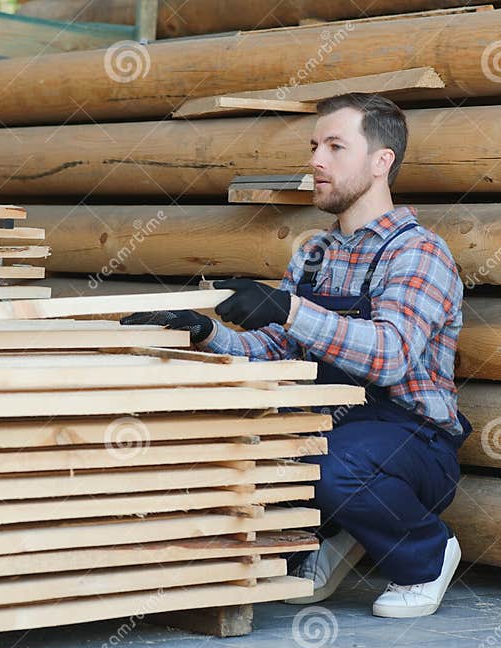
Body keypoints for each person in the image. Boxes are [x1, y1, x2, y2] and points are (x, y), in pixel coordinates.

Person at [121, 93, 472, 618]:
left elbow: (391, 355)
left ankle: (426, 555)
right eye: (314, 146)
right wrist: (204, 335)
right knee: (257, 443)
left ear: (382, 163)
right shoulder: (315, 254)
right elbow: (275, 351)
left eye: (335, 146)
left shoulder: (417, 252)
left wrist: (288, 309)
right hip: (331, 426)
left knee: (330, 461)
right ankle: (339, 535)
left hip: (414, 442)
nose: (316, 161)